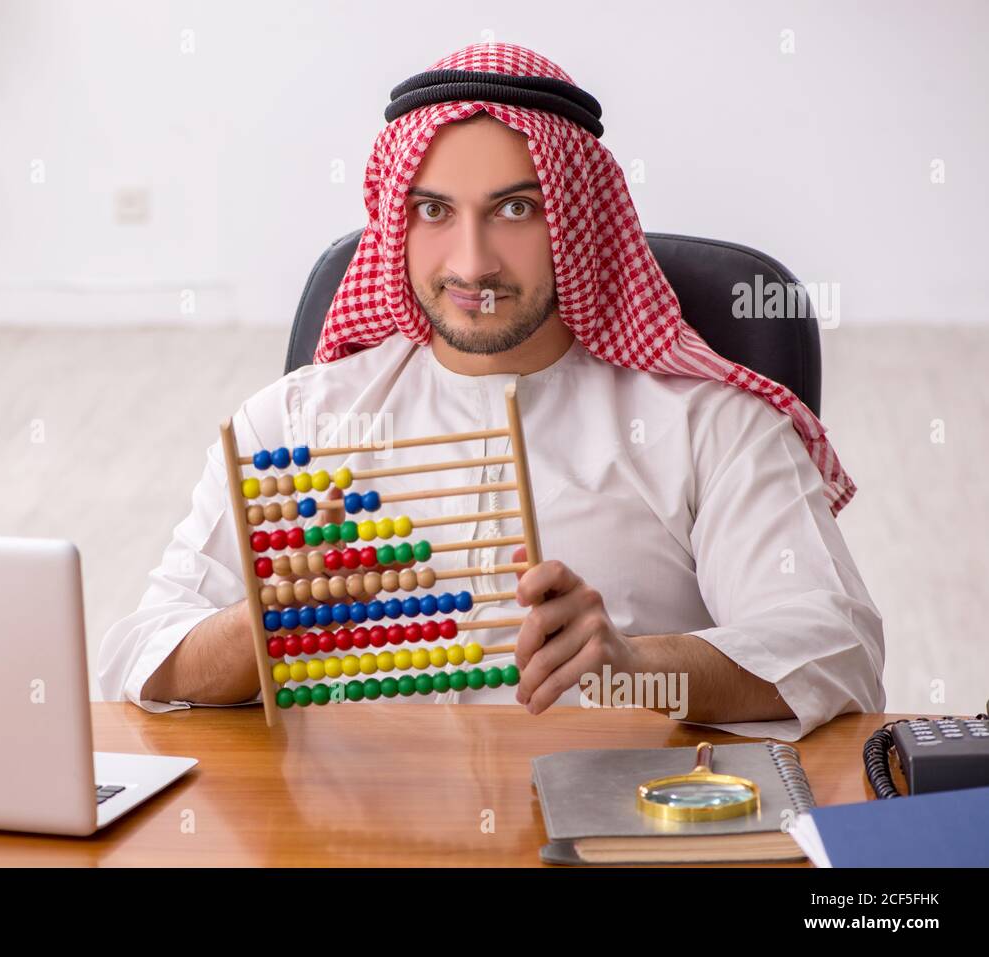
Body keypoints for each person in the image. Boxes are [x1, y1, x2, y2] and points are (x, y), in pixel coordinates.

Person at [99, 42, 884, 741]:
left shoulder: (708, 424)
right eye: (434, 211)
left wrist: (635, 667)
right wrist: (267, 626)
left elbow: (834, 649)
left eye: (515, 209)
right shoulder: (297, 420)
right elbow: (141, 654)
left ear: (577, 220)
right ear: (396, 225)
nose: (471, 263)